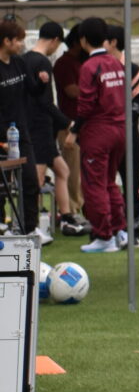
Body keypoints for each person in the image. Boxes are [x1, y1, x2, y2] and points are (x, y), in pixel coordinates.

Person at [74, 17, 128, 254]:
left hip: (98, 132)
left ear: (83, 40)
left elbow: (85, 104)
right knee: (109, 183)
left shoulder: (89, 67)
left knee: (94, 185)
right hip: (120, 129)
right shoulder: (117, 62)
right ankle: (120, 231)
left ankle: (104, 236)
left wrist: (74, 131)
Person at [21, 22, 76, 241]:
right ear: (54, 40)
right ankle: (32, 227)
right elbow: (45, 102)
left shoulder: (23, 60)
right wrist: (66, 122)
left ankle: (67, 219)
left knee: (62, 171)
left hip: (32, 125)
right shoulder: (42, 61)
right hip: (39, 127)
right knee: (37, 179)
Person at [0, 18, 43, 239]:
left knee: (30, 181)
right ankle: (2, 227)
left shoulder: (19, 63)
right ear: (6, 41)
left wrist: (42, 82)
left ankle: (30, 227)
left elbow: (33, 91)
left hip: (21, 132)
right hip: (2, 135)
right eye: (18, 40)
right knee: (2, 187)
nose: (21, 45)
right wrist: (3, 139)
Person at [106, 26, 139, 241]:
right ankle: (108, 231)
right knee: (103, 184)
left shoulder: (133, 70)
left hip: (128, 137)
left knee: (132, 185)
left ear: (113, 42)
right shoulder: (96, 69)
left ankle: (133, 232)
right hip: (103, 138)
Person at [52, 23, 87, 226]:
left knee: (82, 169)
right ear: (77, 41)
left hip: (82, 123)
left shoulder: (79, 63)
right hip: (68, 123)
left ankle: (82, 206)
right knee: (72, 168)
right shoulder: (64, 63)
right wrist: (94, 89)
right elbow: (71, 91)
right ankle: (72, 209)